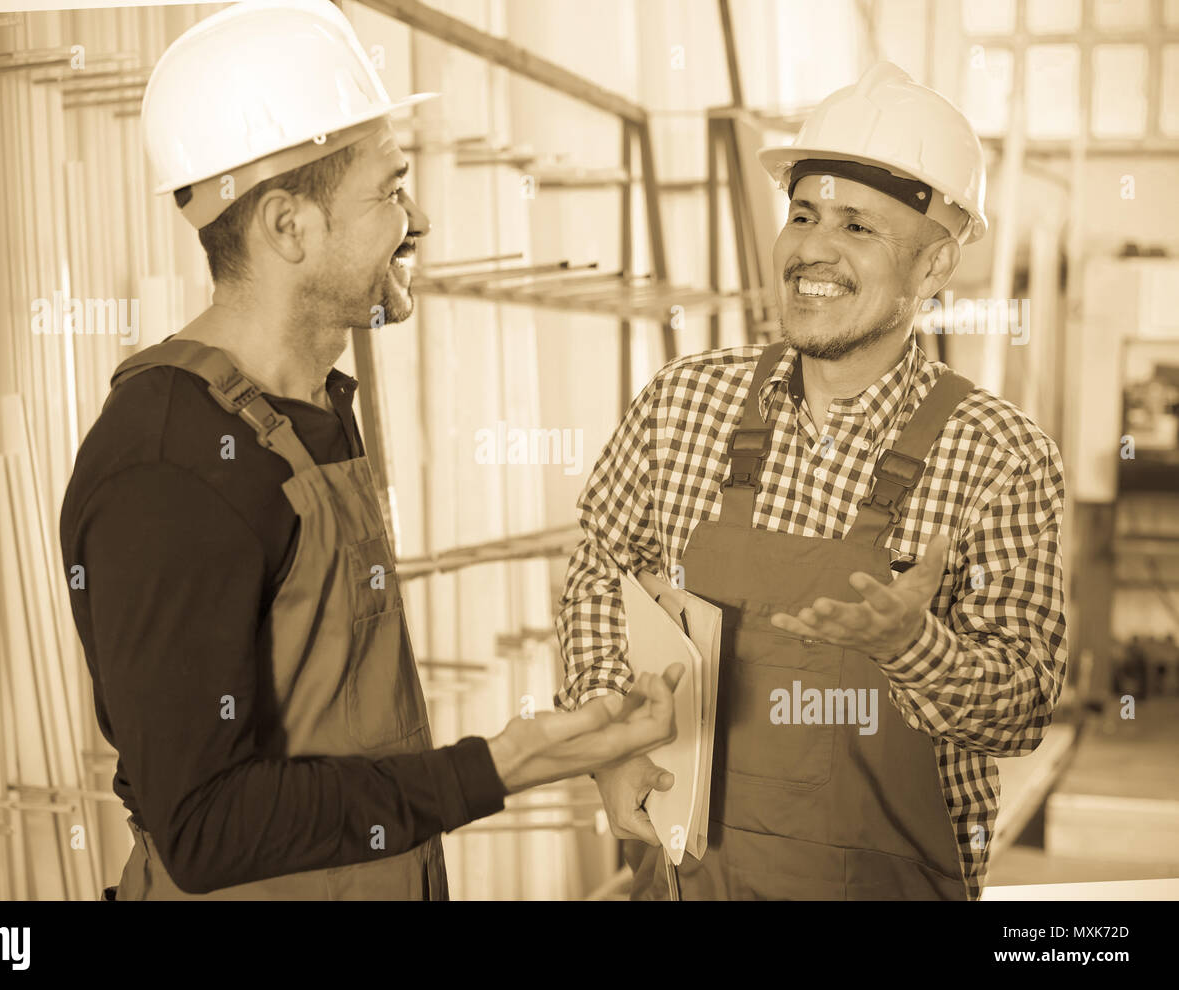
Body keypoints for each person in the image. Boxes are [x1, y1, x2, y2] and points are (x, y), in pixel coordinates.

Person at [60, 0, 681, 901]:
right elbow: (200, 828)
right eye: (390, 189)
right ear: (287, 228)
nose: (417, 218)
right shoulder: (169, 465)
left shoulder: (309, 412)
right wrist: (497, 767)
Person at [555, 62, 1067, 900]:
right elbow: (599, 578)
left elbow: (1021, 713)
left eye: (858, 226)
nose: (813, 250)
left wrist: (912, 645)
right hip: (691, 882)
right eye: (803, 214)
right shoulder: (684, 404)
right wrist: (611, 746)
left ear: (934, 268)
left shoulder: (1000, 456)